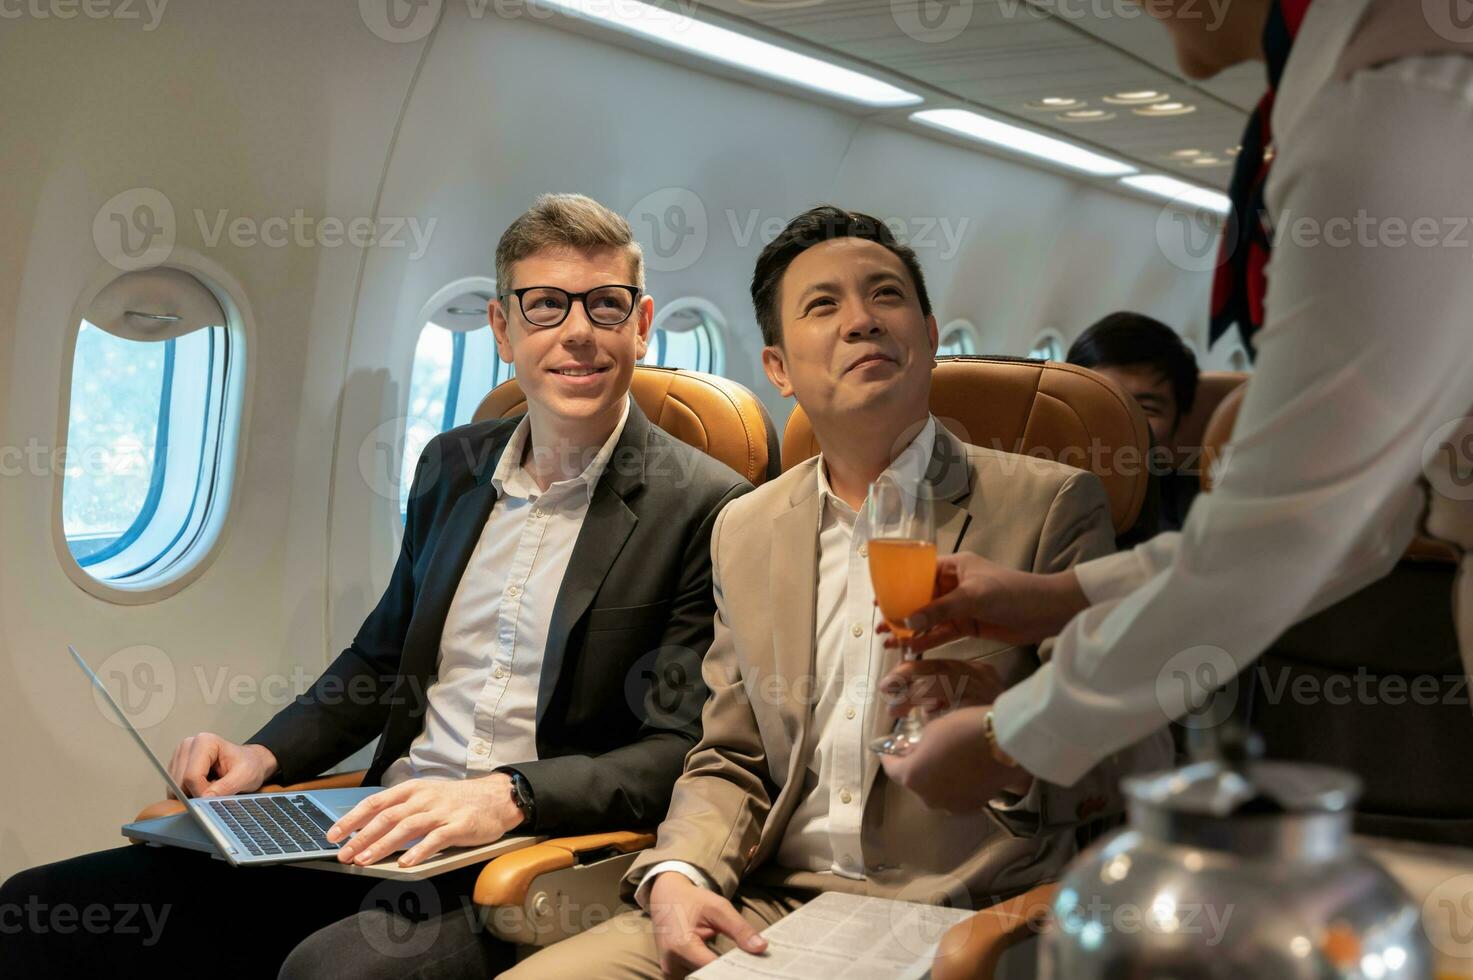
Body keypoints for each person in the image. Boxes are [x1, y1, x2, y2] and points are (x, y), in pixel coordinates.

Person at [0, 193, 752, 978]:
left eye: (605, 305)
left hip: (522, 858)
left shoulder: (703, 504)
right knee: (39, 910)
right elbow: (378, 660)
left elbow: (678, 748)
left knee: (334, 971)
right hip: (375, 828)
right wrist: (263, 755)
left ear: (640, 322)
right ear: (502, 329)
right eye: (545, 306)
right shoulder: (452, 467)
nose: (578, 332)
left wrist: (509, 795)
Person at [500, 206, 1170, 980]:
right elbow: (729, 755)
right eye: (823, 305)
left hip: (966, 914)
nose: (860, 321)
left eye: (884, 297)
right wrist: (680, 873)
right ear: (778, 368)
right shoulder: (746, 528)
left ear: (927, 332)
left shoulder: (1050, 506)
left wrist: (1006, 740)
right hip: (770, 903)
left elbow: (1131, 765)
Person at [877, 0, 1473, 813]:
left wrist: (1009, 736)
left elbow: (1290, 525)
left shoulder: (1387, 114)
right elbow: (1357, 519)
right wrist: (1054, 597)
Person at [1067, 312, 1201, 531]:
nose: (1122, 423)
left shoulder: (1197, 516)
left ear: (1179, 424)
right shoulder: (1032, 493)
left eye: (1146, 409)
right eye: (1103, 400)